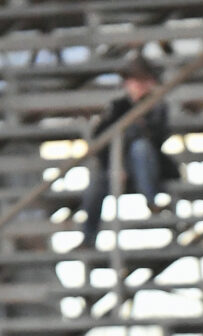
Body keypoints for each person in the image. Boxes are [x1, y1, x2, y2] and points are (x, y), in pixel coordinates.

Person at [77, 56, 172, 248]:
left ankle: (151, 199)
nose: (138, 85)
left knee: (140, 149)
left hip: (147, 165)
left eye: (142, 80)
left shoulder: (157, 107)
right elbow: (101, 138)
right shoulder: (117, 107)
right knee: (96, 184)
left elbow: (158, 137)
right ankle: (88, 237)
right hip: (117, 166)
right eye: (134, 80)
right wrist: (116, 166)